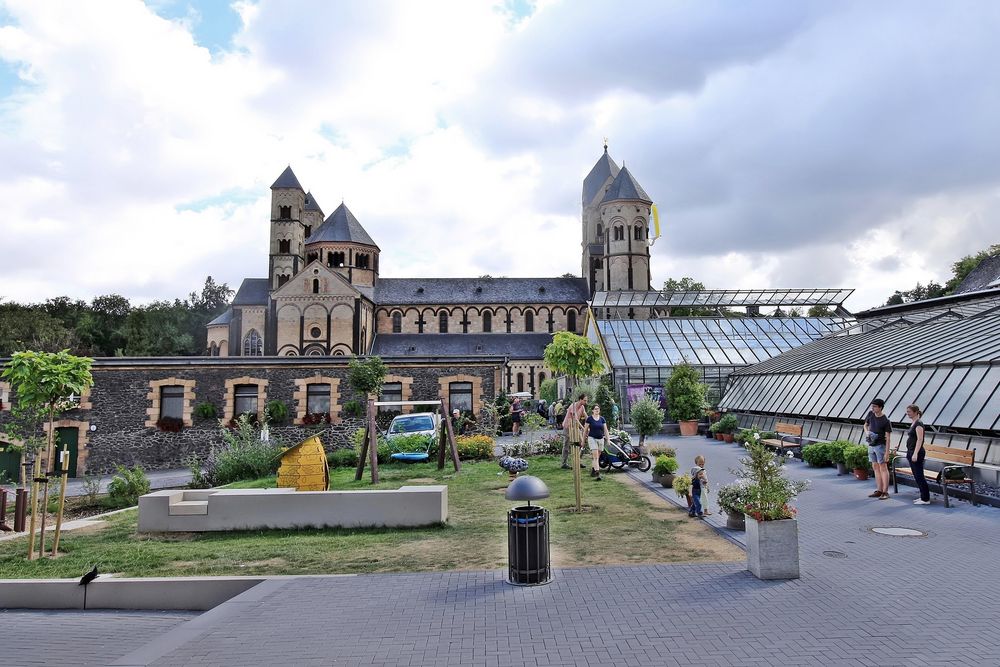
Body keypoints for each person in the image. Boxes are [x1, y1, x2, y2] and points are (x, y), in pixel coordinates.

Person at [863, 398, 893, 500]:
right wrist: (867, 432)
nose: (873, 408)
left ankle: (885, 492)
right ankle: (879, 490)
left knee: (883, 468)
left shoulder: (886, 421)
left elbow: (888, 438)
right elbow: (865, 425)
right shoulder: (870, 414)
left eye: (875, 406)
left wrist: (887, 453)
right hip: (871, 445)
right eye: (872, 406)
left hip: (881, 446)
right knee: (875, 467)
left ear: (880, 407)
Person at [905, 404, 931, 505]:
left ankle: (925, 499)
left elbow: (920, 439)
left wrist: (915, 453)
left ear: (915, 412)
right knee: (916, 476)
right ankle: (923, 497)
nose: (907, 414)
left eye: (909, 412)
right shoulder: (914, 423)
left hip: (916, 453)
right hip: (911, 451)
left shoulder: (919, 424)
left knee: (919, 476)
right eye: (907, 412)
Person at [583, 404, 610, 481]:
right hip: (592, 438)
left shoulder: (602, 419)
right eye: (595, 409)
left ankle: (593, 470)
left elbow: (605, 430)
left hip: (600, 439)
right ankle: (598, 474)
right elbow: (585, 430)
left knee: (597, 456)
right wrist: (583, 440)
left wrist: (608, 439)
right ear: (592, 410)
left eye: (598, 409)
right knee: (595, 457)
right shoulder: (589, 419)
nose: (597, 410)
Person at [560, 394, 587, 469]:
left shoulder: (582, 407)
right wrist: (584, 428)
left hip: (575, 427)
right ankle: (564, 463)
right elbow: (576, 420)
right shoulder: (573, 406)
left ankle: (578, 461)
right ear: (580, 399)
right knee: (566, 445)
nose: (586, 402)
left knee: (582, 443)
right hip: (568, 427)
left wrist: (591, 423)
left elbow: (586, 416)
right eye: (584, 400)